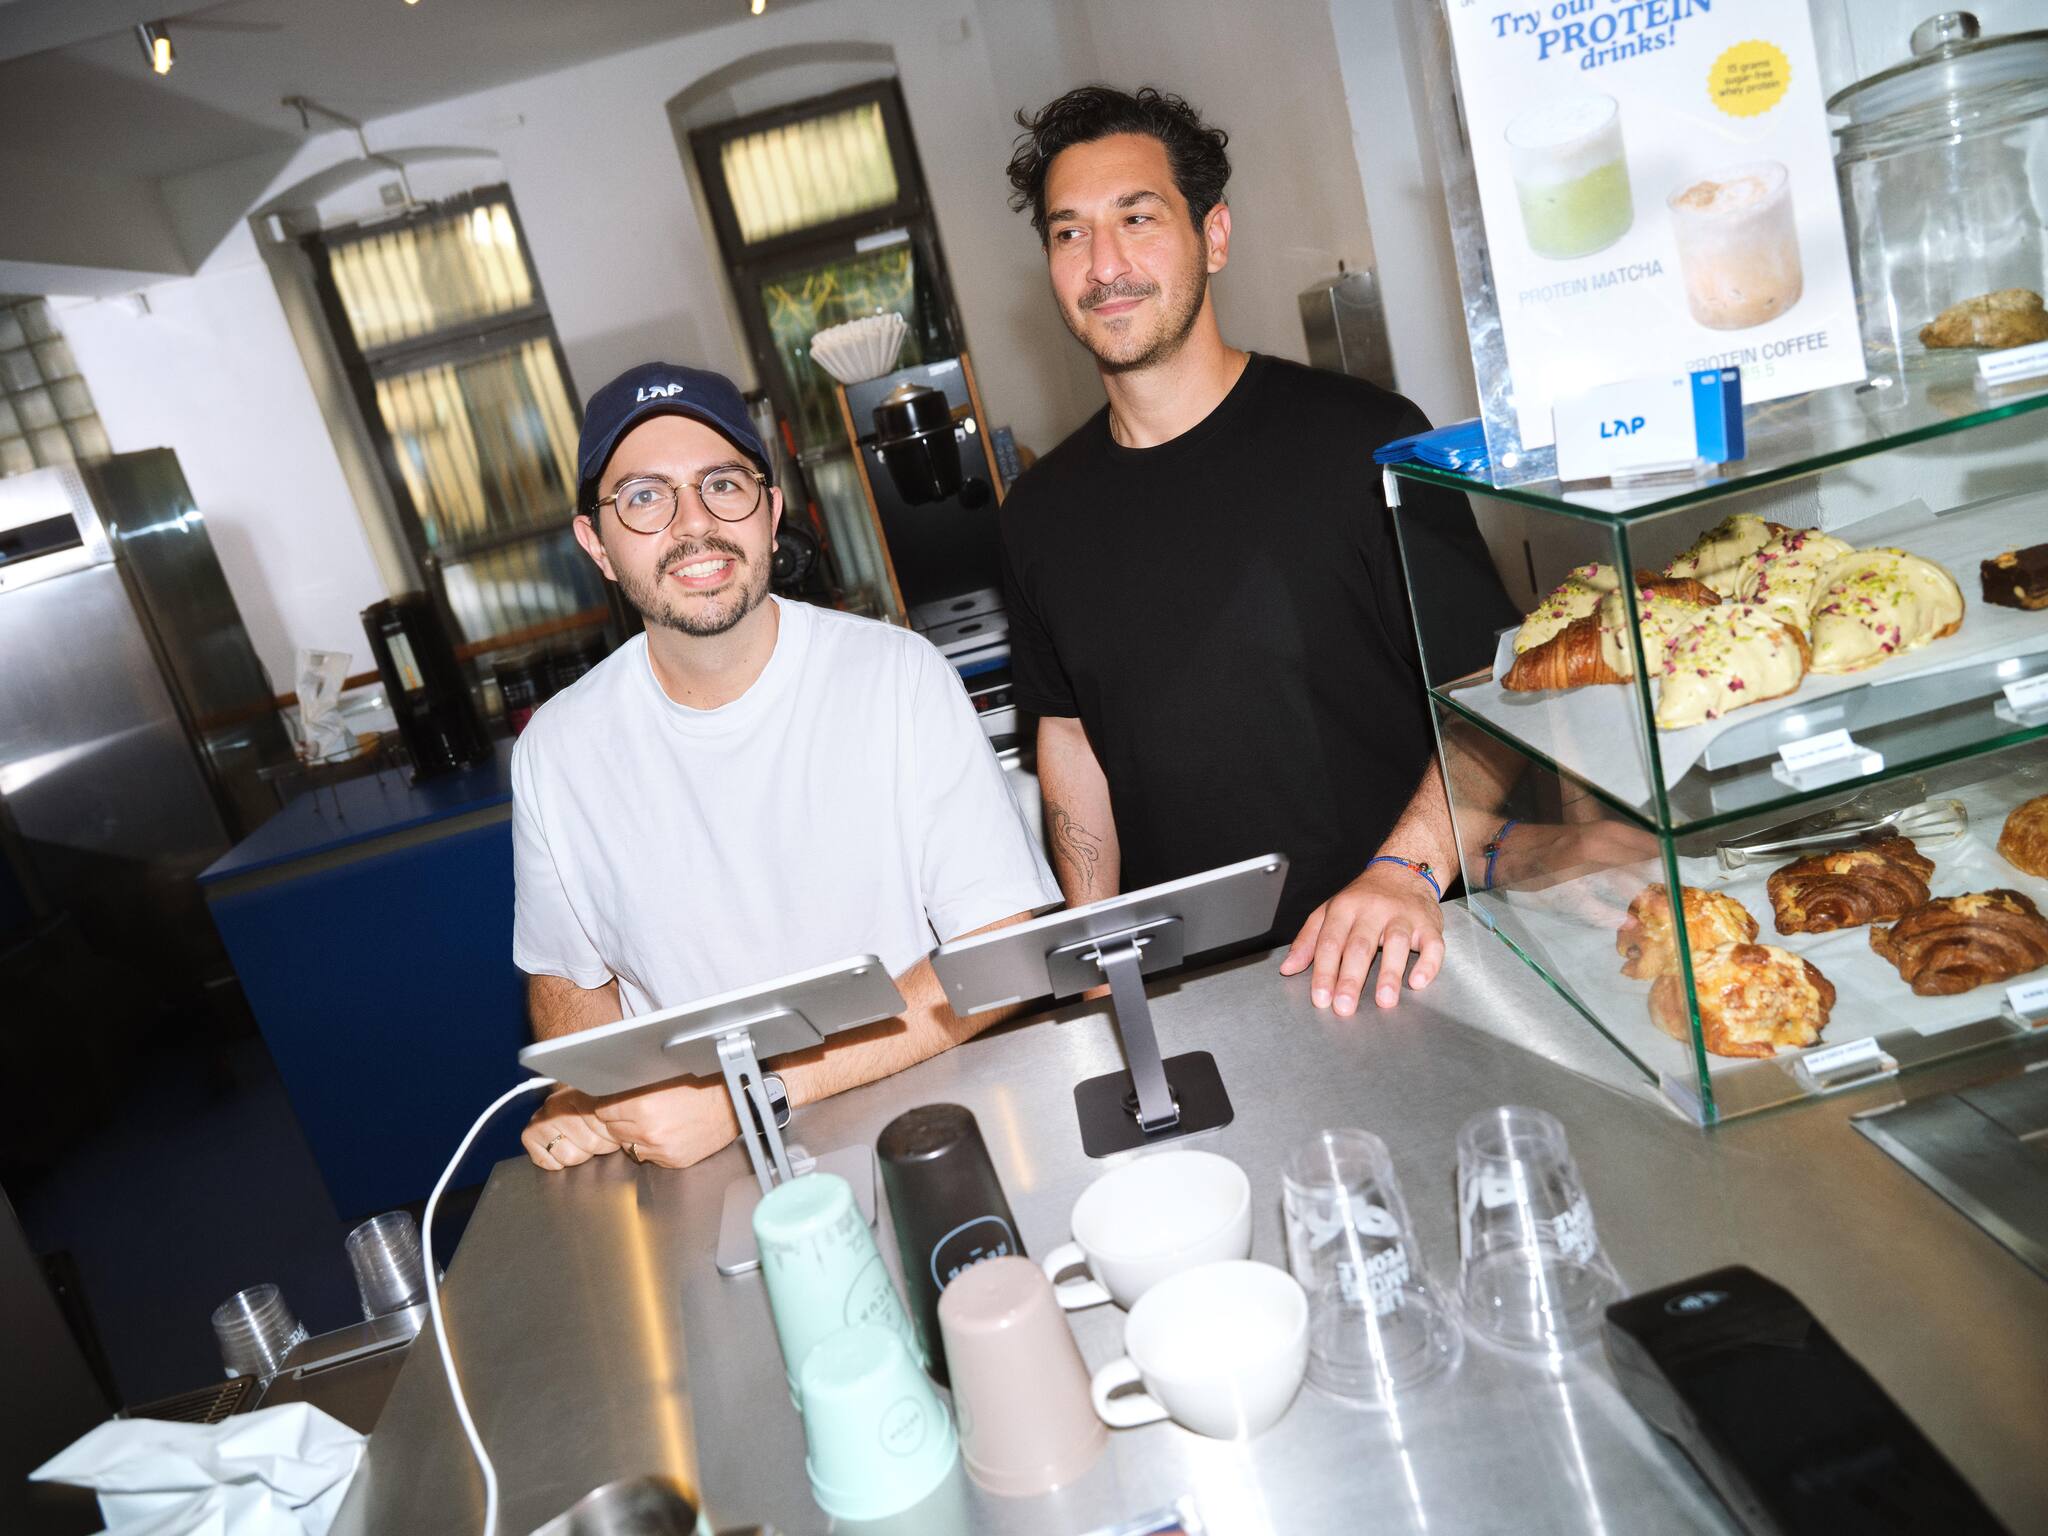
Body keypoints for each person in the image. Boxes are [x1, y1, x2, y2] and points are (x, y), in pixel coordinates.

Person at [999, 86, 1519, 1019]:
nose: (1103, 264)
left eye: (1138, 218)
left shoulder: (1366, 443)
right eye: (1069, 233)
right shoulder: (1037, 512)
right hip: (1196, 999)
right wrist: (1097, 947)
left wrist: (1404, 872)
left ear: (1216, 236)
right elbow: (1069, 734)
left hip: (1405, 957)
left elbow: (1490, 686)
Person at [512, 363, 1060, 1170]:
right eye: (644, 496)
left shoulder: (896, 676)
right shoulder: (556, 752)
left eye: (722, 484)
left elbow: (1003, 955)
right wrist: (594, 1098)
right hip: (702, 1170)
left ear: (770, 513)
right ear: (597, 544)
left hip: (932, 1126)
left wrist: (753, 1093)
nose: (693, 524)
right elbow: (568, 980)